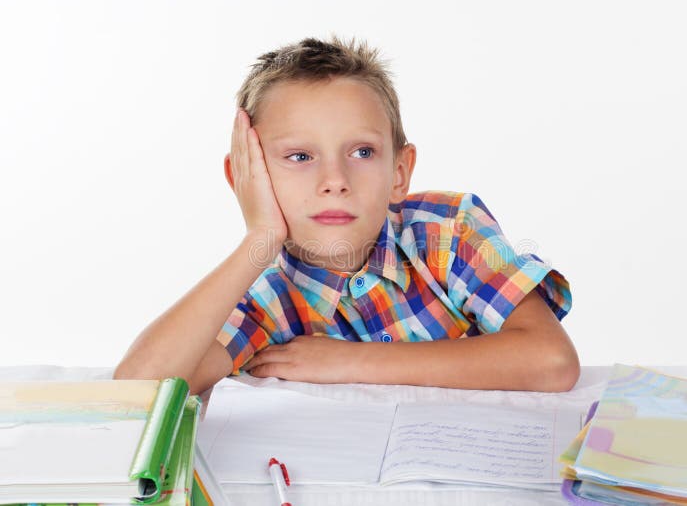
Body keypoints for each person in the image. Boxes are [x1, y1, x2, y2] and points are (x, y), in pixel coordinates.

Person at [114, 36, 580, 395]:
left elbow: (552, 361)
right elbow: (138, 390)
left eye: (360, 151)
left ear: (399, 172)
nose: (334, 179)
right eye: (299, 156)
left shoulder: (447, 232)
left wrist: (351, 362)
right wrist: (259, 235)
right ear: (245, 178)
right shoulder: (267, 301)